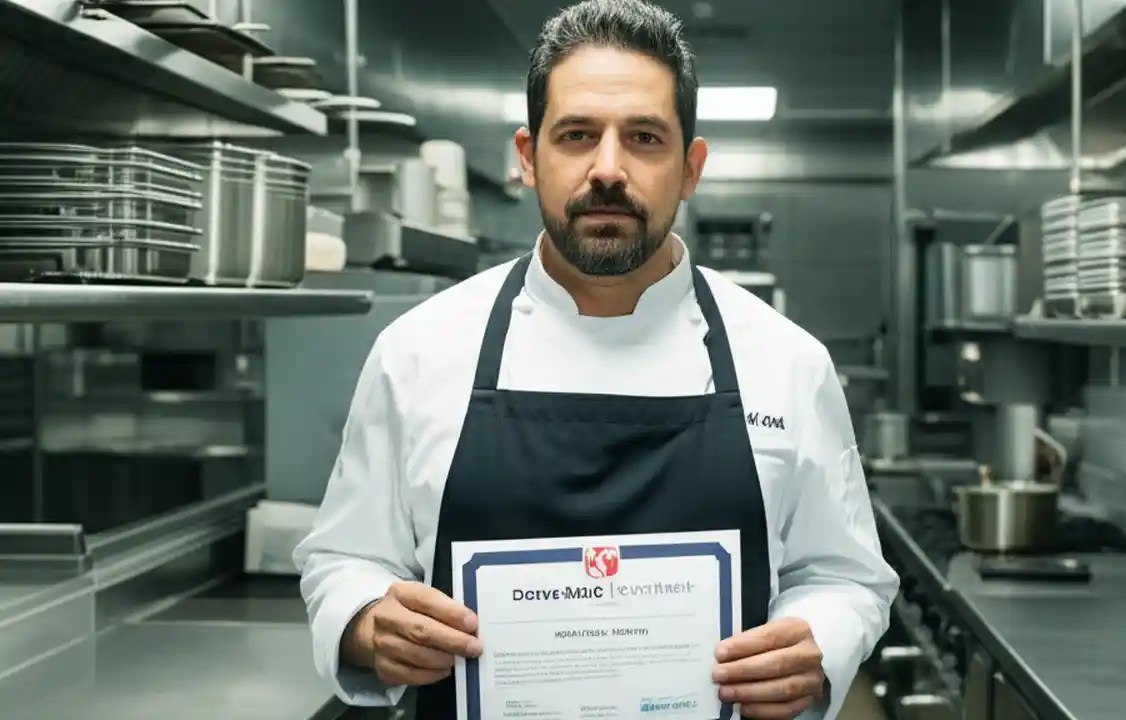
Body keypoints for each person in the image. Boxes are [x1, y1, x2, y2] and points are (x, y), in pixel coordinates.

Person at [294, 1, 898, 718]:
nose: (607, 169)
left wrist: (818, 645)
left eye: (644, 138)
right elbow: (344, 559)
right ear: (528, 157)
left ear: (690, 167)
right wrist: (368, 623)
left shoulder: (787, 363)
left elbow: (845, 575)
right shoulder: (419, 352)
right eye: (577, 135)